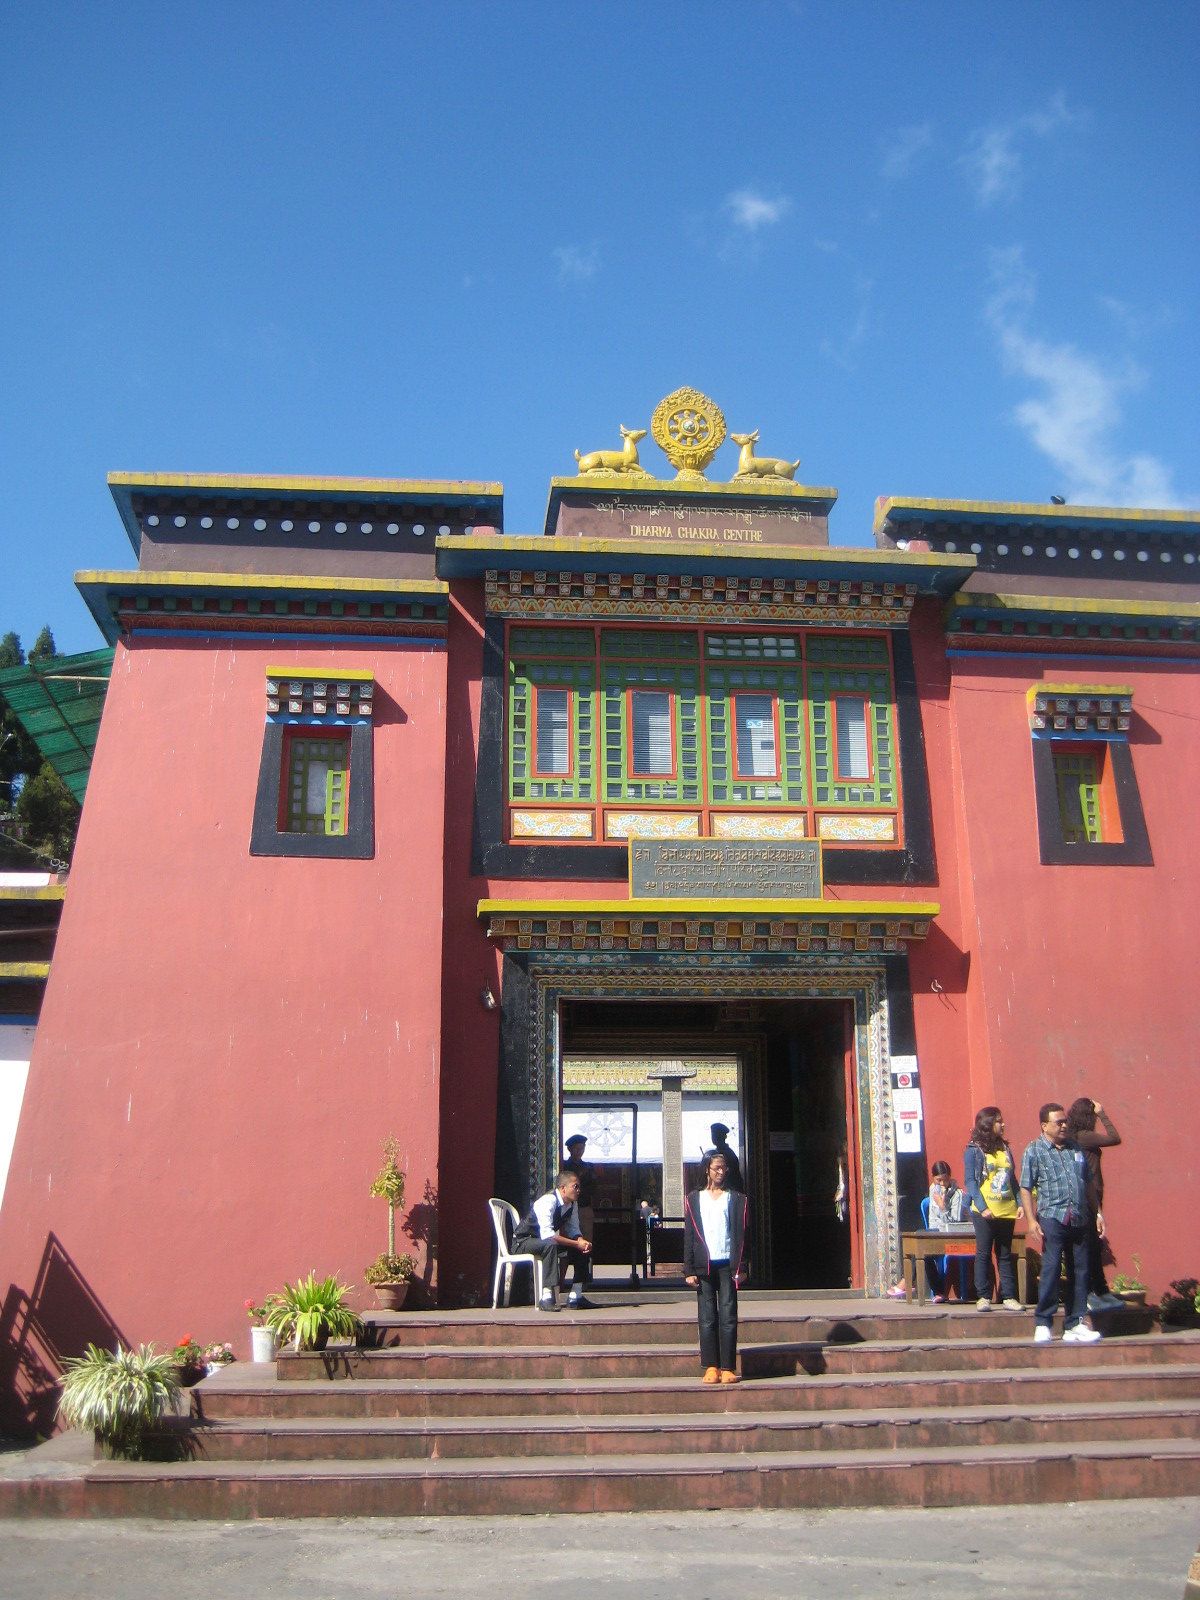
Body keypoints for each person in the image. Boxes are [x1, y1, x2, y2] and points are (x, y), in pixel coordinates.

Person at [1020, 1103, 1102, 1345]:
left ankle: (1075, 1323)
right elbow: (1025, 1186)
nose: (1064, 1125)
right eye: (1059, 1122)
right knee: (1052, 1267)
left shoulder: (1074, 1148)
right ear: (1045, 1126)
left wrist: (1098, 1214)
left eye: (1065, 1121)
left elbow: (1088, 1184)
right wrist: (1032, 1219)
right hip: (1051, 1216)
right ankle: (1043, 1322)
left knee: (1080, 1270)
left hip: (1078, 1216)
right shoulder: (1034, 1150)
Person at [684, 1151, 748, 1384]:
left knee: (728, 1315)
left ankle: (728, 1367)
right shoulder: (694, 1198)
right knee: (707, 1317)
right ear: (707, 1170)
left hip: (728, 1265)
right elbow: (690, 1235)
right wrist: (689, 1269)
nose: (721, 1172)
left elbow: (741, 1235)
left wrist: (741, 1266)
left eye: (724, 1168)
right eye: (717, 1168)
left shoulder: (735, 1198)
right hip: (704, 1266)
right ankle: (711, 1366)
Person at [1063, 1097, 1124, 1313]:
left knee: (1093, 1245)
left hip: (1091, 1195)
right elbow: (1115, 1138)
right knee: (1089, 1245)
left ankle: (1101, 1291)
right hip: (1090, 1196)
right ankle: (1091, 1293)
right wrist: (1102, 1113)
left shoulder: (1074, 1137)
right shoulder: (1085, 1137)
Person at [964, 1107, 1024, 1312]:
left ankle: (1008, 1296)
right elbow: (970, 1182)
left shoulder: (1005, 1149)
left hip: (1006, 1208)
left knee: (1005, 1253)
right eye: (999, 1121)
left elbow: (1013, 1179)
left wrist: (1020, 1203)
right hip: (984, 1210)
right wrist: (982, 1207)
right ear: (988, 1124)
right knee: (983, 1252)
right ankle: (983, 1296)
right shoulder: (974, 1150)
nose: (1003, 1124)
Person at [511, 1170, 593, 1311]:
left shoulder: (572, 1204)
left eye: (579, 1187)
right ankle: (546, 1297)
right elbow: (548, 1235)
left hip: (545, 1242)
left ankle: (576, 1295)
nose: (579, 1190)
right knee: (551, 1244)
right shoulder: (548, 1201)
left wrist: (580, 1241)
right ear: (563, 1188)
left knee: (583, 1249)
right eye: (575, 1186)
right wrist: (576, 1243)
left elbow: (573, 1229)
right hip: (523, 1242)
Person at [562, 1134, 596, 1250]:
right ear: (569, 1149)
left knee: (585, 1243)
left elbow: (594, 1188)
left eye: (581, 1148)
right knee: (565, 1245)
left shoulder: (589, 1167)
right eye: (576, 1148)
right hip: (567, 1208)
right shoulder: (564, 1166)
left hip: (583, 1207)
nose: (579, 1151)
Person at [706, 1122, 743, 1191]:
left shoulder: (728, 1154)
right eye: (713, 1135)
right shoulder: (715, 1153)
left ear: (724, 1137)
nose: (713, 1138)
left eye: (716, 1135)